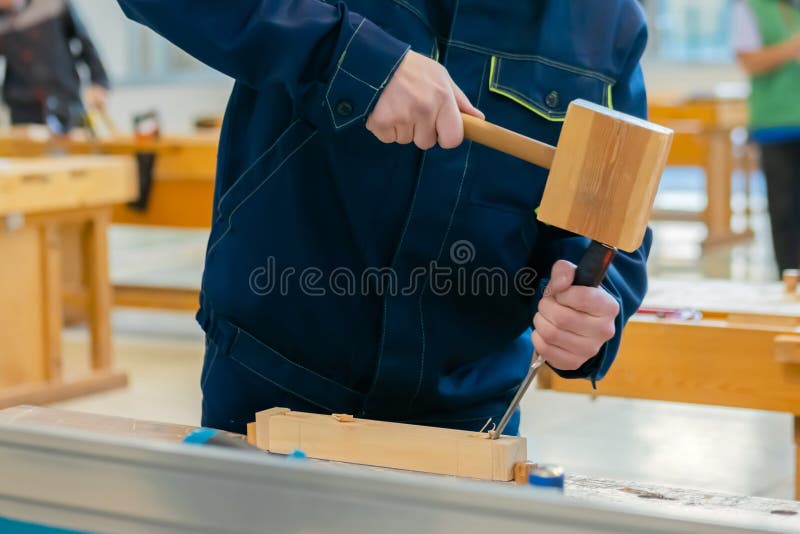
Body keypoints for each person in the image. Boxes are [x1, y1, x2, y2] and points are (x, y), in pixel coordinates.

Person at [116, 0, 651, 435]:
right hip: (275, 382)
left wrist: (593, 306)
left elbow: (611, 217)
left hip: (469, 416)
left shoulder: (609, 24)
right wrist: (346, 55)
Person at [733, 0, 800, 275]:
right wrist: (790, 49)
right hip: (774, 124)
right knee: (784, 208)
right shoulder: (749, 8)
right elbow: (749, 61)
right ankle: (788, 277)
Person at [0, 0, 109, 129]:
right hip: (23, 108)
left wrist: (99, 81)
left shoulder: (53, 3)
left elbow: (83, 41)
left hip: (66, 99)